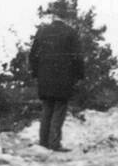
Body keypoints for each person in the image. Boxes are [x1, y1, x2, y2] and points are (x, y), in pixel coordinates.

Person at [28, 12, 84, 151]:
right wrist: (79, 77)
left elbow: (33, 55)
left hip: (44, 78)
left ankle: (43, 143)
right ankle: (54, 144)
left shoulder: (42, 31)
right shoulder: (71, 32)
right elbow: (77, 58)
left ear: (54, 17)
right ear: (67, 18)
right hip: (63, 79)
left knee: (47, 109)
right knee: (59, 110)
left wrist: (36, 74)